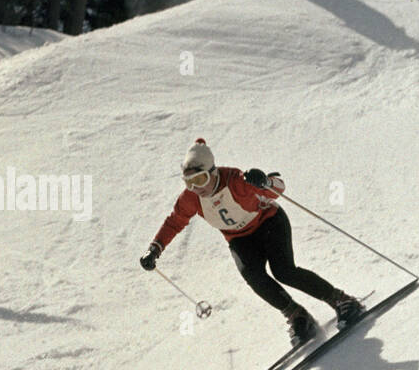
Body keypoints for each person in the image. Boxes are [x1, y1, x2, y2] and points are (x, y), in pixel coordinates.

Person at [139, 139, 364, 348]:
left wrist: (266, 181)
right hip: (239, 238)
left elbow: (279, 189)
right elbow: (174, 222)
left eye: (200, 180)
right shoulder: (190, 198)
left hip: (269, 223)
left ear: (212, 172)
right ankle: (297, 315)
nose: (196, 188)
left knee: (284, 271)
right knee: (252, 275)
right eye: (189, 182)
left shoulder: (236, 180)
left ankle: (341, 300)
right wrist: (155, 248)